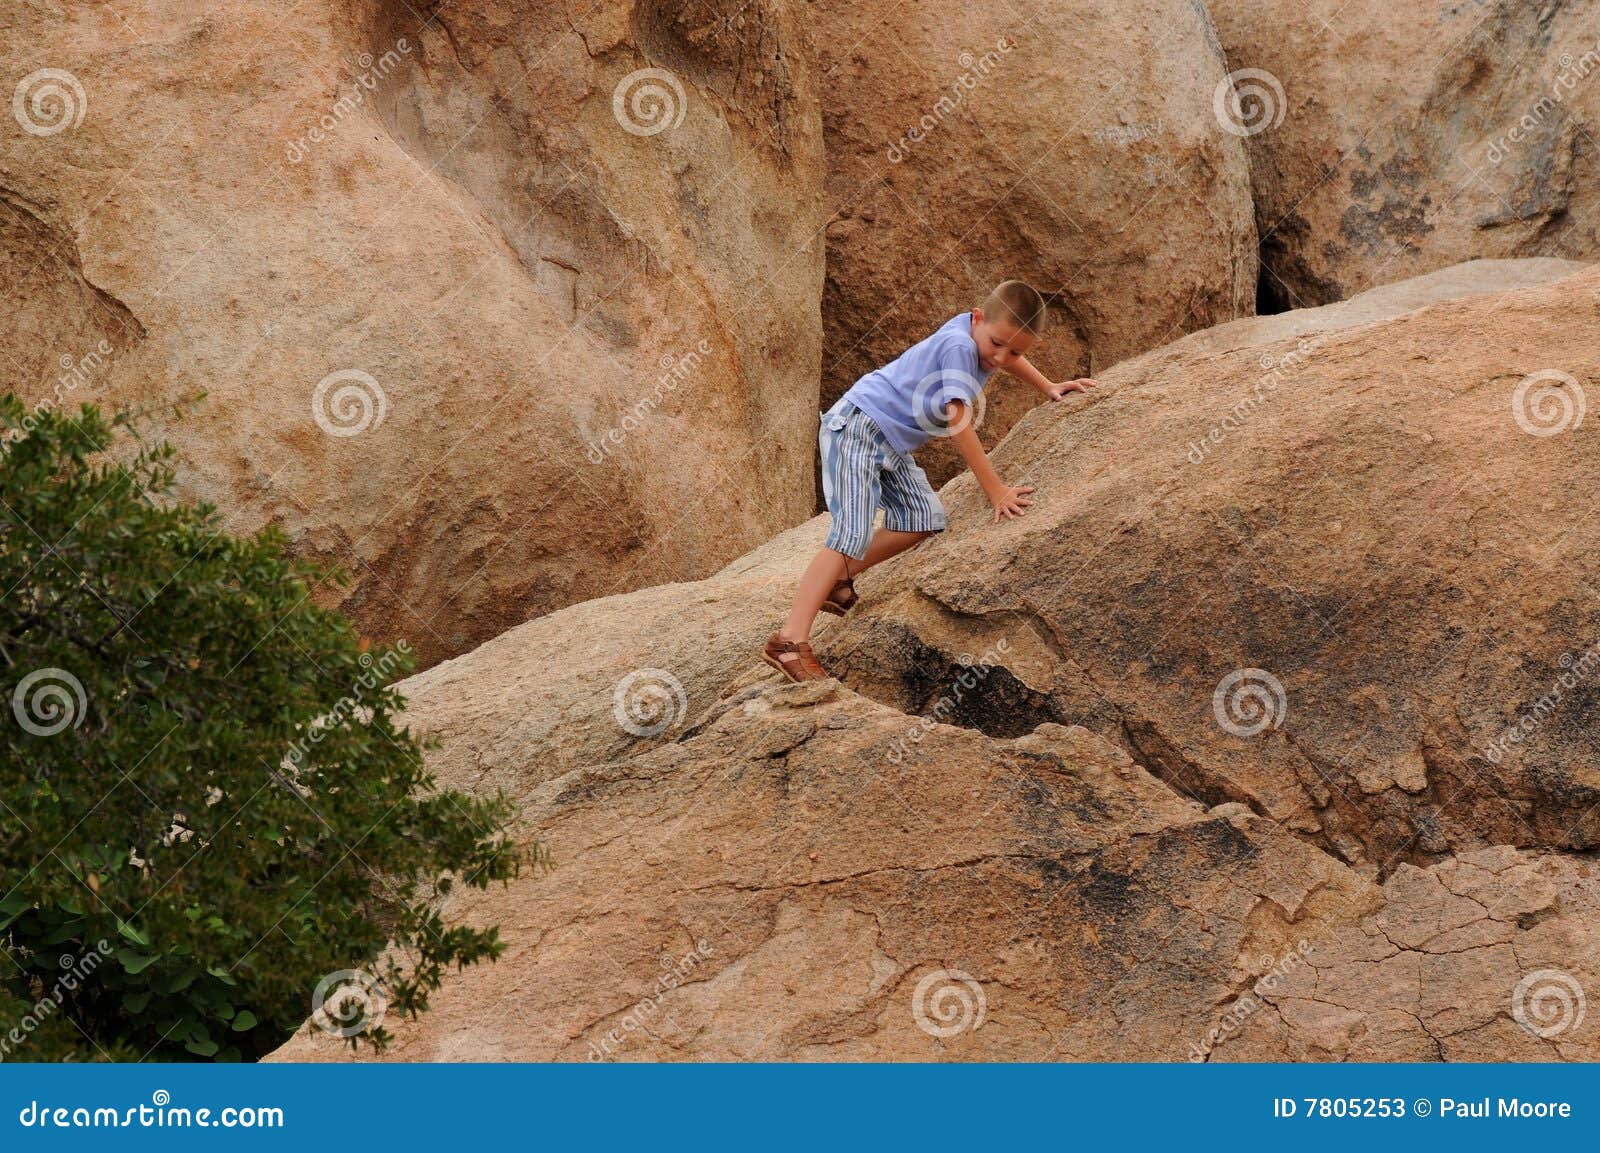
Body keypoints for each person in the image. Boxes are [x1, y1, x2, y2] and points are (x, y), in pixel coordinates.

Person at [763, 279, 1098, 681]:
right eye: (996, 344)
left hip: (890, 443)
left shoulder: (981, 336)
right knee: (850, 530)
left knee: (924, 519)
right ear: (977, 318)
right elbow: (958, 420)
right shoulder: (959, 347)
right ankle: (789, 639)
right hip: (859, 427)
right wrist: (996, 490)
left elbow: (1008, 353)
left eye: (1015, 350)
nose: (1000, 357)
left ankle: (840, 576)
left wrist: (1048, 386)